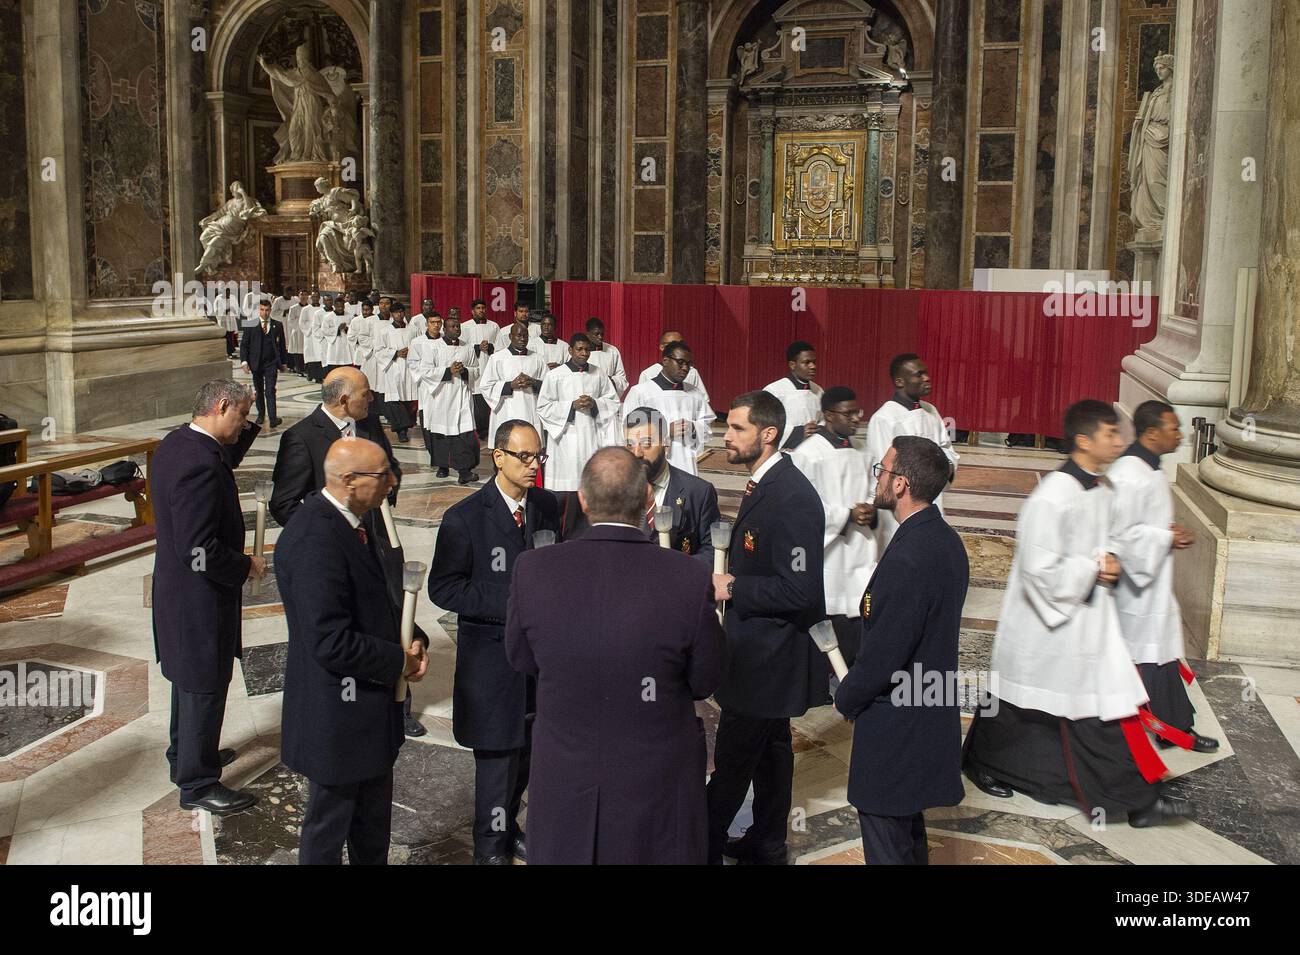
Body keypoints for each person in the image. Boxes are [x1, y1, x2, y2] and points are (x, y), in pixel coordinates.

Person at [962, 400, 1194, 828]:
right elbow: (1038, 567)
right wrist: (1096, 567)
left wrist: (1116, 558)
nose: (1120, 441)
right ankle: (1134, 799)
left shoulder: (1102, 489)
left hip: (1087, 615)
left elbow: (1114, 541)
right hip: (1045, 620)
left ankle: (1128, 794)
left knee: (1076, 705)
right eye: (1110, 434)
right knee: (1043, 704)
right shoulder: (1053, 496)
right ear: (1084, 440)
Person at [504, 447, 725, 864]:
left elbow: (521, 659)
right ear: (646, 502)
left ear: (583, 501)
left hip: (566, 774)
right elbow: (706, 679)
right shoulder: (688, 575)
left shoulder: (532, 568)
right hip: (655, 781)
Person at [277, 438, 430, 864]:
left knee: (371, 827)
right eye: (382, 475)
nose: (392, 482)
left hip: (368, 711)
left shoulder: (359, 523)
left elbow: (379, 600)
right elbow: (329, 640)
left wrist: (414, 636)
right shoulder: (314, 537)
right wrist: (399, 660)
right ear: (348, 481)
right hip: (337, 716)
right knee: (329, 828)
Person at [429, 420, 561, 864]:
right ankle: (488, 848)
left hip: (537, 663)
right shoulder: (464, 518)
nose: (534, 466)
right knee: (497, 763)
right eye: (525, 457)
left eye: (538, 457)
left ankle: (509, 830)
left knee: (526, 754)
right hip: (491, 663)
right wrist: (511, 600)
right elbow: (443, 588)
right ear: (497, 456)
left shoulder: (545, 506)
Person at [834, 436, 970, 864]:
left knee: (885, 837)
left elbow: (885, 655)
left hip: (896, 725)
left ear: (901, 484)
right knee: (908, 835)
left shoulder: (911, 555)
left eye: (883, 471)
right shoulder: (944, 540)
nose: (877, 479)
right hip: (926, 714)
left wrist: (847, 696)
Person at [706, 390, 826, 865]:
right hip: (760, 653)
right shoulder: (768, 485)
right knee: (774, 753)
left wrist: (732, 587)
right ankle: (768, 842)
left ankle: (702, 843)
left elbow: (799, 590)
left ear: (768, 434)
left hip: (766, 661)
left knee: (733, 761)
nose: (726, 436)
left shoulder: (792, 497)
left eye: (736, 428)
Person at [151, 380, 263, 816]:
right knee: (205, 683)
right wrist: (245, 566)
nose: (241, 426)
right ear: (220, 407)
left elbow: (225, 452)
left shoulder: (179, 443)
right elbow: (197, 547)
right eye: (238, 416)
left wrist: (246, 410)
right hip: (198, 595)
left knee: (188, 678)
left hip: (178, 591)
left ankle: (186, 756)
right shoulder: (199, 463)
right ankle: (197, 784)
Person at [1109, 400, 1218, 752]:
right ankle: (1169, 729)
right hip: (1134, 589)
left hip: (1151, 583)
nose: (1180, 434)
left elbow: (1140, 524)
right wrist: (1164, 537)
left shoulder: (1149, 470)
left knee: (1159, 655)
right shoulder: (1128, 473)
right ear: (1152, 433)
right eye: (1174, 428)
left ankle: (1173, 728)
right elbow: (1120, 535)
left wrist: (1164, 532)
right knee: (1147, 657)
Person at [790, 386, 877, 666]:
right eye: (848, 413)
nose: (856, 419)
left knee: (861, 610)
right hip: (830, 550)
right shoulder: (807, 454)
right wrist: (845, 515)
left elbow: (877, 488)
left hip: (862, 547)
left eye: (858, 412)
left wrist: (871, 509)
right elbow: (802, 507)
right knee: (833, 611)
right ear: (828, 415)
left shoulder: (865, 451)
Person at [864, 354, 959, 551]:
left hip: (933, 500)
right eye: (919, 374)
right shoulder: (884, 418)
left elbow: (947, 449)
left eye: (926, 373)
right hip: (902, 506)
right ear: (900, 381)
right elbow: (885, 469)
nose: (926, 378)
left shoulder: (930, 411)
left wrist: (947, 465)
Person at [537, 333, 621, 529]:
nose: (584, 353)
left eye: (587, 350)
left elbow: (612, 401)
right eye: (579, 349)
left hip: (591, 437)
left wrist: (595, 403)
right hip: (565, 440)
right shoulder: (555, 375)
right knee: (566, 495)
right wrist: (571, 406)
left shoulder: (598, 373)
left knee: (589, 488)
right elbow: (543, 407)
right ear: (570, 350)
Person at [621, 340, 714, 476]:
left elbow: (707, 427)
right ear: (665, 361)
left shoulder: (695, 393)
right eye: (680, 362)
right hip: (652, 464)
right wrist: (664, 432)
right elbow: (628, 432)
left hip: (686, 463)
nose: (685, 368)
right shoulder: (641, 392)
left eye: (689, 364)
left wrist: (694, 427)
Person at [409, 313, 480, 484]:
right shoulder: (433, 347)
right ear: (444, 329)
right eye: (452, 327)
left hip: (461, 396)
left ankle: (464, 471)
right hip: (441, 395)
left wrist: (464, 371)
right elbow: (425, 371)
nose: (456, 329)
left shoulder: (467, 347)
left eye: (458, 327)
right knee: (442, 434)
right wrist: (448, 371)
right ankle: (442, 466)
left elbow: (476, 369)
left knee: (463, 434)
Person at [479, 321, 547, 441]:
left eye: (525, 336)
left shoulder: (537, 358)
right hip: (506, 410)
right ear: (510, 337)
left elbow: (548, 386)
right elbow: (485, 386)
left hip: (530, 409)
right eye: (519, 335)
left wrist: (533, 382)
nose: (523, 339)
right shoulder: (497, 358)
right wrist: (510, 385)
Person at [763, 341, 822, 450]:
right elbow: (763, 424)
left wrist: (818, 430)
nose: (813, 366)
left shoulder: (819, 391)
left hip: (812, 452)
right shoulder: (774, 390)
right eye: (807, 362)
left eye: (814, 362)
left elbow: (824, 421)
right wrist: (798, 433)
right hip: (783, 452)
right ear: (792, 365)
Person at [239, 298, 289, 429]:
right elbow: (244, 345)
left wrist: (283, 362)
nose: (265, 312)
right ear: (258, 310)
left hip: (271, 363)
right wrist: (244, 362)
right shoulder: (251, 324)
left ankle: (273, 418)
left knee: (270, 390)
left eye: (267, 310)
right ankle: (261, 415)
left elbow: (282, 346)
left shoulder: (277, 325)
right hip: (256, 363)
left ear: (270, 310)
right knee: (259, 390)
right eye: (262, 310)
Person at [377, 302, 418, 443]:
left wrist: (411, 352)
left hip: (410, 368)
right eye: (396, 312)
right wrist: (395, 353)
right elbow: (378, 350)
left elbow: (420, 346)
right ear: (392, 314)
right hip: (394, 368)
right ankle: (401, 430)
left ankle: (406, 427)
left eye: (401, 312)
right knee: (395, 399)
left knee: (408, 399)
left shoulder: (413, 329)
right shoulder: (385, 331)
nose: (399, 315)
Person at [637, 330, 710, 408]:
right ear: (662, 347)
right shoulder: (648, 374)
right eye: (673, 344)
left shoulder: (692, 372)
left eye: (681, 343)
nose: (685, 368)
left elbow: (704, 404)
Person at [584, 317, 629, 396]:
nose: (600, 337)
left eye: (602, 334)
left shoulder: (612, 351)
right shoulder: (581, 352)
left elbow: (622, 378)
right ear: (587, 334)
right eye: (596, 334)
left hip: (608, 395)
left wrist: (611, 380)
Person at [321, 296, 355, 376]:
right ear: (334, 306)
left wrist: (347, 328)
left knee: (347, 364)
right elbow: (324, 330)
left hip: (347, 344)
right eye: (338, 306)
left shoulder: (349, 316)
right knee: (334, 364)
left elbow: (354, 329)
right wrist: (337, 329)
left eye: (342, 306)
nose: (340, 308)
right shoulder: (328, 317)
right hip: (335, 344)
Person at [285, 289, 311, 375]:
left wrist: (306, 325)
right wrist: (300, 323)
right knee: (297, 351)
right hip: (297, 332)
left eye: (305, 295)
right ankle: (299, 369)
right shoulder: (293, 308)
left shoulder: (310, 308)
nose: (303, 297)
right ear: (298, 296)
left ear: (308, 297)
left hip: (307, 332)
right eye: (301, 295)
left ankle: (307, 368)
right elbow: (290, 320)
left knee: (307, 350)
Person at [302, 291, 326, 382]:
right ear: (310, 298)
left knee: (320, 355)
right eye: (313, 297)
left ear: (319, 298)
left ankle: (319, 376)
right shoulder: (306, 309)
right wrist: (308, 330)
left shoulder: (323, 308)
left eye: (317, 297)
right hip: (310, 336)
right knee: (311, 355)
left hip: (320, 335)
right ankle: (311, 374)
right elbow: (302, 322)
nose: (315, 298)